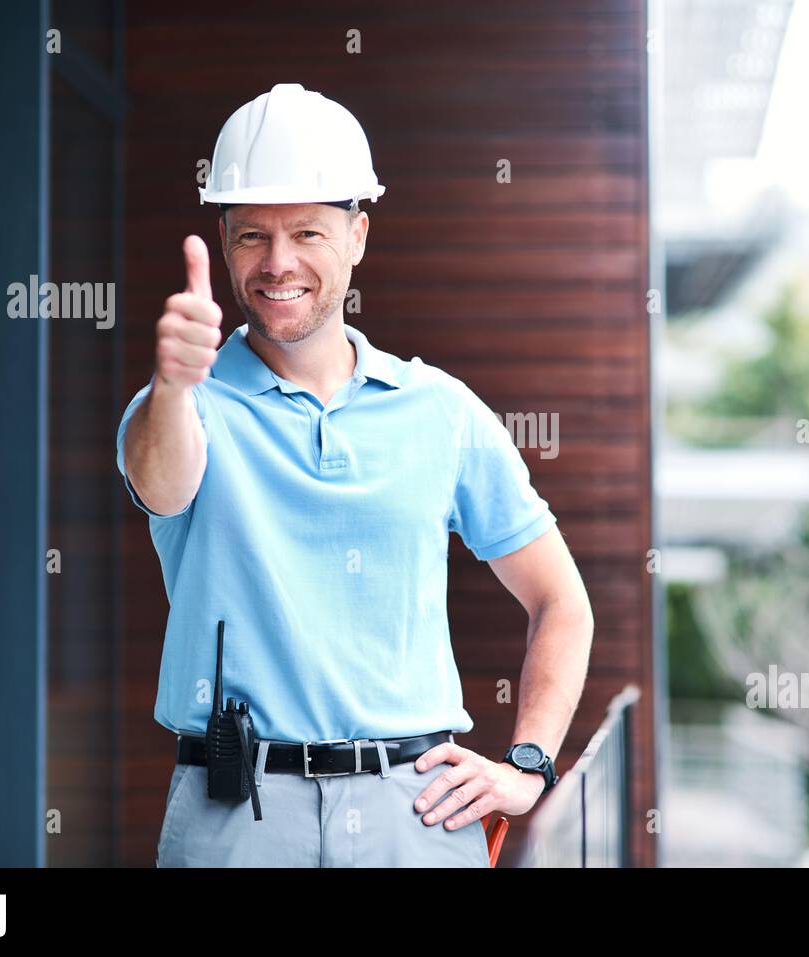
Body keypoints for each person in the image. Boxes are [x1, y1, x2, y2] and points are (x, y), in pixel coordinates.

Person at [116, 83, 594, 867]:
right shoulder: (181, 407)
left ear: (358, 236)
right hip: (237, 815)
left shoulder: (439, 410)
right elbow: (162, 481)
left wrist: (528, 766)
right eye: (250, 237)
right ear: (224, 241)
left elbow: (562, 603)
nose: (278, 264)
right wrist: (173, 381)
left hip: (417, 812)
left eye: (307, 231)